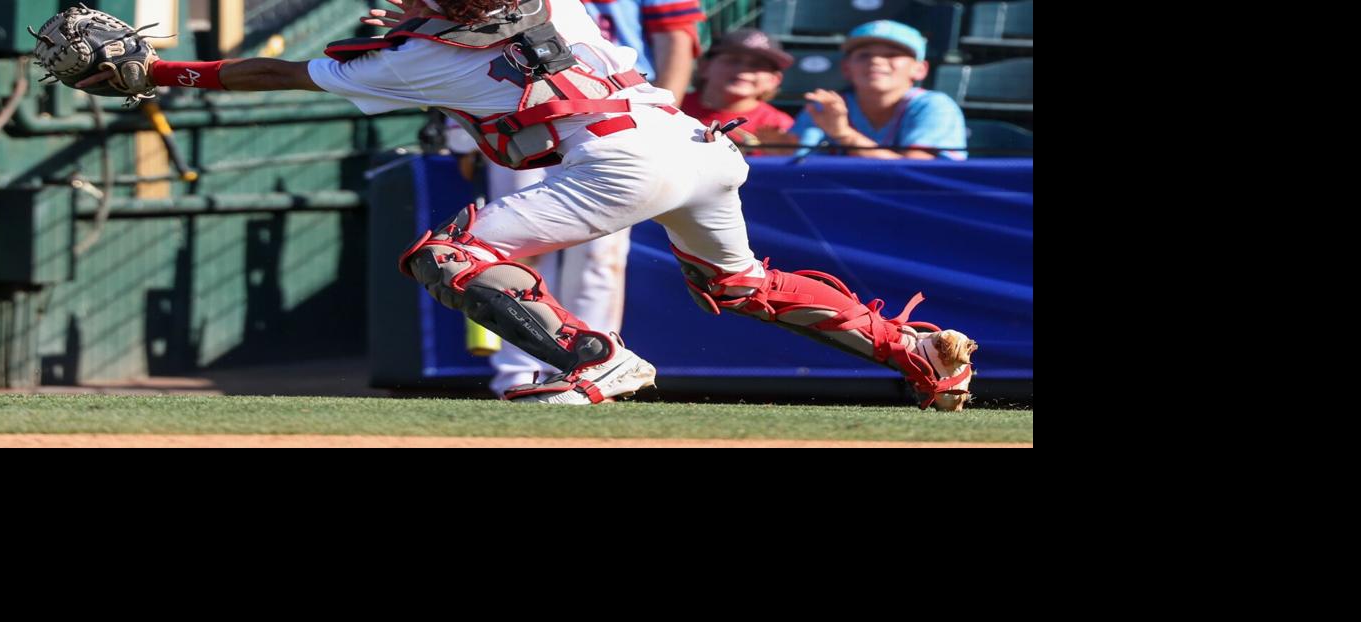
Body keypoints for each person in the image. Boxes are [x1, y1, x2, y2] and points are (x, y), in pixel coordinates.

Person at [64, 0, 976, 409]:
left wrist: (157, 72)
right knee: (740, 285)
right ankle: (918, 351)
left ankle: (599, 358)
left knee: (448, 258)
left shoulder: (416, 59)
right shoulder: (561, 6)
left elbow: (271, 72)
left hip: (621, 162)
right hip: (699, 146)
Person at [472, 0, 704, 396]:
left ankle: (594, 368)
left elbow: (676, 38)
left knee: (600, 254)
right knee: (514, 245)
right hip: (517, 107)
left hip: (618, 110)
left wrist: (664, 117)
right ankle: (518, 374)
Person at [790, 20, 968, 160]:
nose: (876, 61)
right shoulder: (827, 107)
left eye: (892, 55)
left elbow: (917, 173)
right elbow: (796, 166)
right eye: (864, 55)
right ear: (846, 68)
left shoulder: (934, 106)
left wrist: (844, 134)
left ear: (920, 69)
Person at [680, 28, 797, 150]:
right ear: (704, 66)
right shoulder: (674, 107)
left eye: (757, 65)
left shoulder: (781, 127)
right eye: (733, 60)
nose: (743, 69)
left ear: (774, 80)